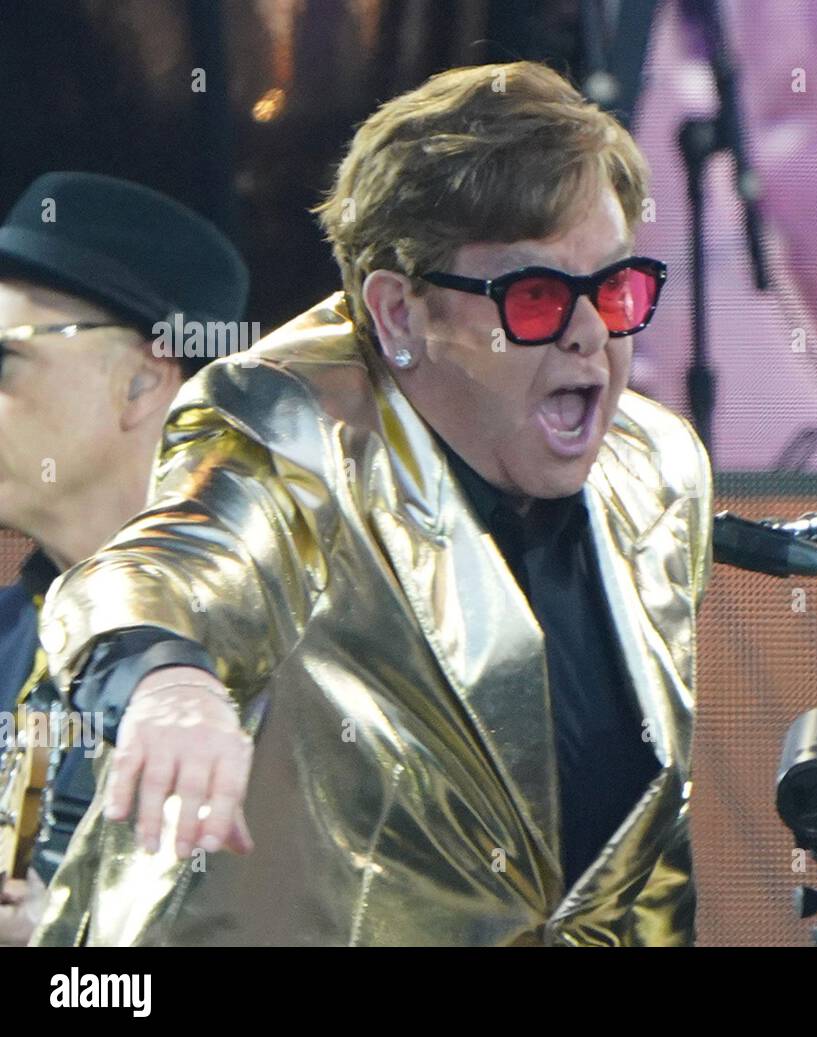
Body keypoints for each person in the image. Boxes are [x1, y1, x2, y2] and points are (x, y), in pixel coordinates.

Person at [33, 61, 712, 946]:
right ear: (397, 314)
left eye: (617, 290)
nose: (591, 332)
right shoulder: (294, 425)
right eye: (537, 297)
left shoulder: (656, 464)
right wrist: (169, 683)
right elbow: (161, 567)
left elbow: (634, 858)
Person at [0, 172, 249, 944]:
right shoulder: (12, 629)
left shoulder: (277, 655)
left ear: (143, 381)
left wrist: (70, 951)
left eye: (1, 359)